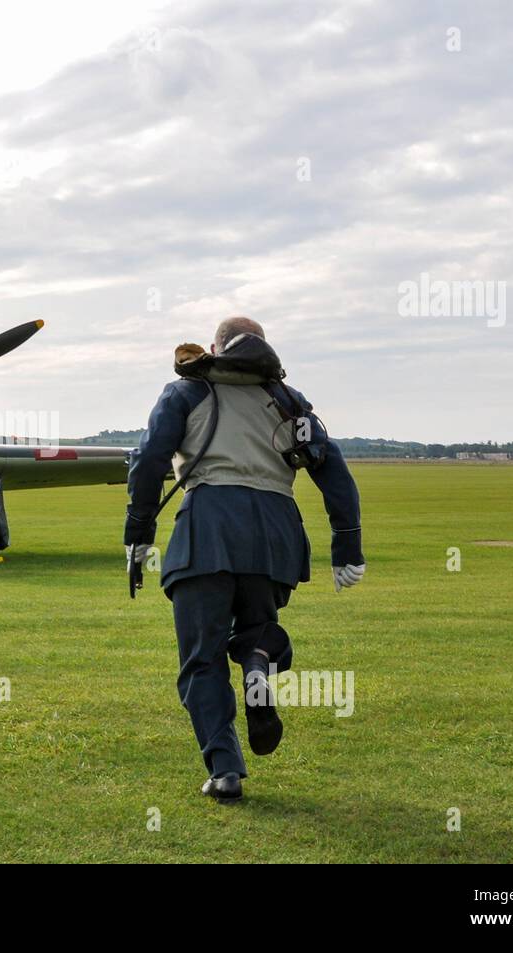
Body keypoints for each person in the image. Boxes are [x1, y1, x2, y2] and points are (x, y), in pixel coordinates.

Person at [124, 316, 365, 802]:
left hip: (207, 530)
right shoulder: (289, 401)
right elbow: (332, 469)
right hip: (276, 536)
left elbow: (150, 459)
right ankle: (256, 662)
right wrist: (347, 547)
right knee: (258, 629)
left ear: (215, 346)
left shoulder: (185, 392)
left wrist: (140, 533)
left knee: (202, 659)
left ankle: (226, 770)